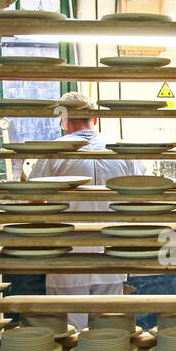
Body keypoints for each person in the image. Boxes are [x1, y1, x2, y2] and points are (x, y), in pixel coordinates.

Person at [29, 92, 145, 329]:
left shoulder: (53, 152)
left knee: (70, 333)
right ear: (95, 119)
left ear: (65, 120)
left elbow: (33, 202)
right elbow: (141, 200)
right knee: (108, 329)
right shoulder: (121, 148)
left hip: (68, 259)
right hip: (112, 257)